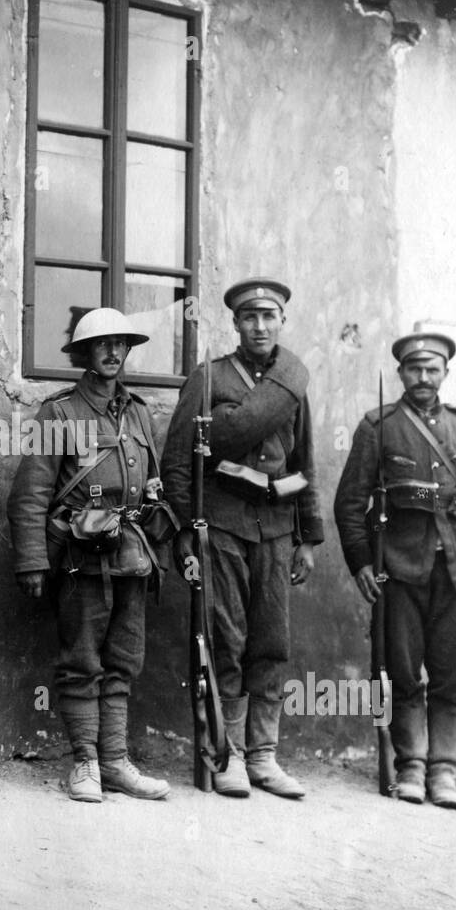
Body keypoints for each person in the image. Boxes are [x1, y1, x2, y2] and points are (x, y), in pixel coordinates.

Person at [162, 278, 323, 799]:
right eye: (249, 317)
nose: (259, 326)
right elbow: (177, 461)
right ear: (234, 323)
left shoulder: (292, 385)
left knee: (271, 643)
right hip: (223, 527)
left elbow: (305, 464)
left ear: (282, 322)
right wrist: (187, 528)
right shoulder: (208, 380)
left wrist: (308, 538)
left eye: (269, 316)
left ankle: (264, 757)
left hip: (276, 531)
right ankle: (224, 754)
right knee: (225, 641)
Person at [7, 307, 171, 802]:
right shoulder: (59, 413)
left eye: (120, 344)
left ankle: (117, 761)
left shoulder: (139, 412)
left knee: (124, 661)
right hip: (81, 558)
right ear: (82, 353)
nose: (113, 352)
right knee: (82, 661)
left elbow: (153, 488)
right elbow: (30, 495)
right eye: (102, 345)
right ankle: (85, 763)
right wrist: (33, 562)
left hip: (132, 556)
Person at [332, 332, 456, 809]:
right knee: (402, 676)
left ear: (445, 373)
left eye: (432, 369)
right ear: (401, 373)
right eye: (414, 369)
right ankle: (411, 766)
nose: (423, 378)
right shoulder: (377, 427)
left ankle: (444, 771)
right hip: (399, 571)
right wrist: (362, 562)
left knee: (451, 677)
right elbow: (349, 503)